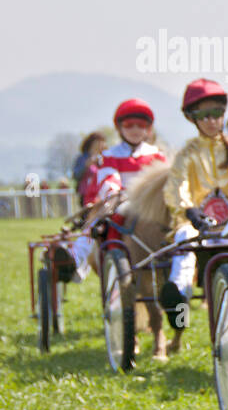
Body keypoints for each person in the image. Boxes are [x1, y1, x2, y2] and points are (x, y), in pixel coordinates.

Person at [160, 79, 228, 329]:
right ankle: (179, 296)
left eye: (216, 113)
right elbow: (176, 185)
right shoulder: (187, 154)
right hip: (197, 226)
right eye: (203, 115)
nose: (211, 120)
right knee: (184, 238)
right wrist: (190, 210)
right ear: (192, 118)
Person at [63, 100, 167, 282]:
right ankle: (80, 258)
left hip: (152, 204)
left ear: (148, 129)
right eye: (129, 125)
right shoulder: (110, 156)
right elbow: (108, 179)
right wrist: (118, 193)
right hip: (121, 201)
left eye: (140, 125)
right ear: (119, 128)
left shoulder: (157, 154)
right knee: (99, 221)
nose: (135, 129)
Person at [72, 132, 106, 205]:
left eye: (102, 143)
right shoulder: (82, 158)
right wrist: (86, 166)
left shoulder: (105, 158)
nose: (100, 145)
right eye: (98, 142)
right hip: (85, 194)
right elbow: (75, 175)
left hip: (102, 194)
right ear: (91, 144)